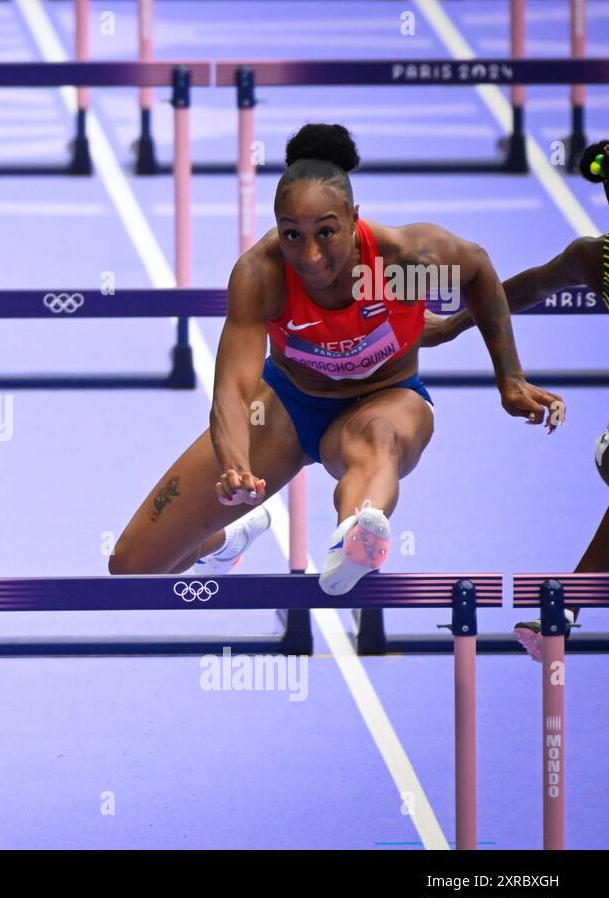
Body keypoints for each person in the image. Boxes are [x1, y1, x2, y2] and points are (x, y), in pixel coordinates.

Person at [109, 123, 562, 595]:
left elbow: (480, 273)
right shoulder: (262, 274)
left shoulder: (403, 261)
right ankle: (228, 543)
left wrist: (509, 378)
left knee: (377, 439)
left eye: (326, 232)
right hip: (288, 406)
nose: (310, 255)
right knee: (132, 567)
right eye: (292, 235)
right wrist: (235, 464)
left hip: (389, 398)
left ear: (353, 219)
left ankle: (355, 536)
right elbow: (233, 388)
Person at [422, 140, 608, 659]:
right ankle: (566, 609)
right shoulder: (598, 259)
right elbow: (528, 287)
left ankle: (567, 609)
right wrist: (451, 329)